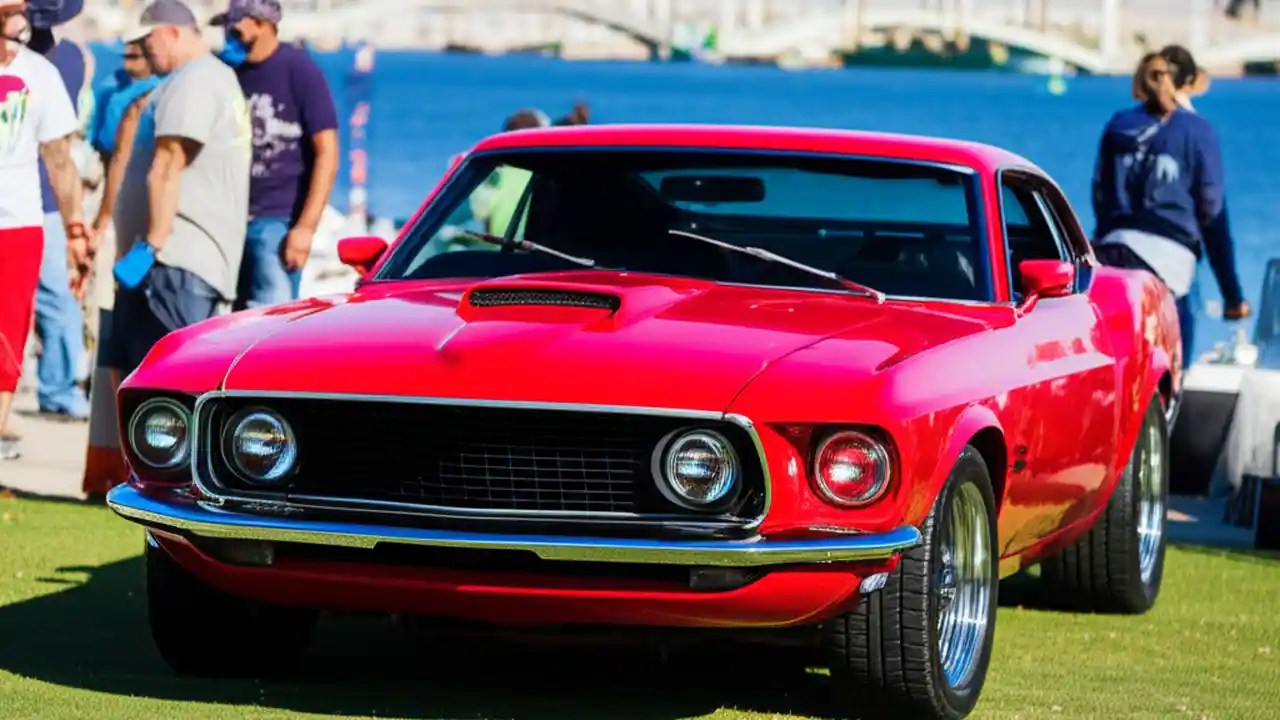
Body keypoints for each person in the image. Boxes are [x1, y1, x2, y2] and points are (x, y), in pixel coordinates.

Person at [104, 0, 250, 377]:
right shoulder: (194, 79)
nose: (144, 51)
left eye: (147, 40)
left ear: (170, 32)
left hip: (176, 262)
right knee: (133, 375)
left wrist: (150, 246)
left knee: (167, 380)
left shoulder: (198, 80)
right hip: (168, 261)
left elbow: (168, 166)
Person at [1091, 51, 1249, 371]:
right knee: (1172, 365)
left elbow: (1099, 194)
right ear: (1189, 84)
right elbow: (1212, 214)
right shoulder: (1198, 131)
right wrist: (1232, 297)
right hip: (1166, 263)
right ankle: (1173, 403)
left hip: (1109, 255)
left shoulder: (1118, 125)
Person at [0, 0, 88, 461]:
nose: (18, 26)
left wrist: (76, 228)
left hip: (18, 223)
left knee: (10, 334)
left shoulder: (41, 73)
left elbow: (59, 158)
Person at [211, 0, 339, 310]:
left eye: (237, 26)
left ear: (261, 23)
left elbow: (327, 150)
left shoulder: (299, 70)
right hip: (227, 218)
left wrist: (305, 228)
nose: (229, 33)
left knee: (271, 313)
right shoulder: (226, 71)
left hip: (276, 220)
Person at [27, 0, 92, 420]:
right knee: (59, 302)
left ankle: (59, 389)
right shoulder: (72, 58)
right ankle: (60, 390)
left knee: (53, 301)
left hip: (40, 197)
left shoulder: (38, 63)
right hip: (52, 197)